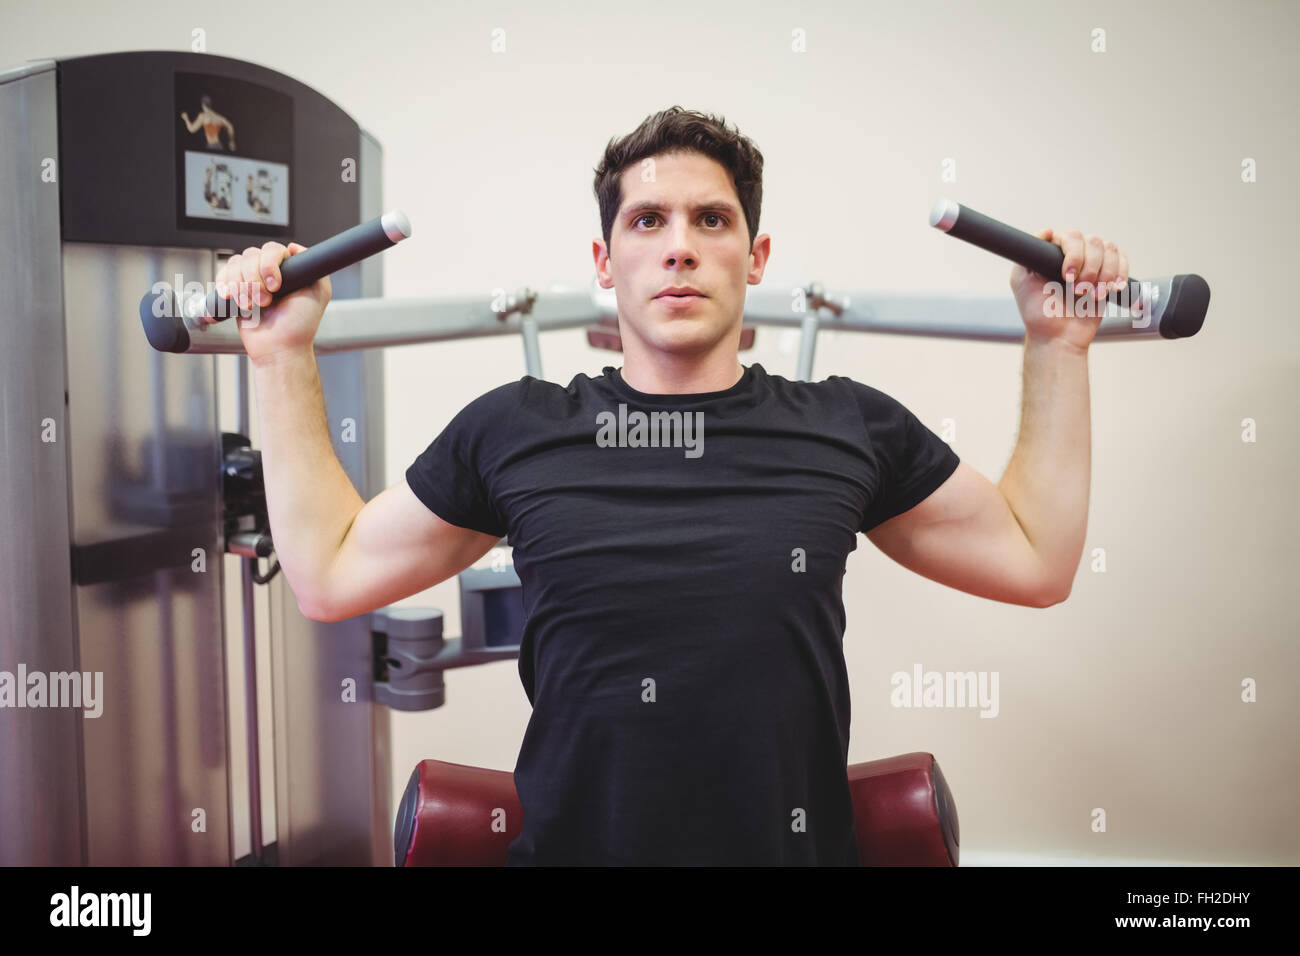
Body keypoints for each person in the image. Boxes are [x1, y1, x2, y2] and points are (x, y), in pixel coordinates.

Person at [214, 106, 1128, 866]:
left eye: (711, 220)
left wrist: (1057, 344)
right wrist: (280, 352)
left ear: (756, 255)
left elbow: (1036, 559)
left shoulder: (847, 425)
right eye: (648, 221)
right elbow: (328, 574)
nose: (679, 248)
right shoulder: (517, 429)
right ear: (606, 264)